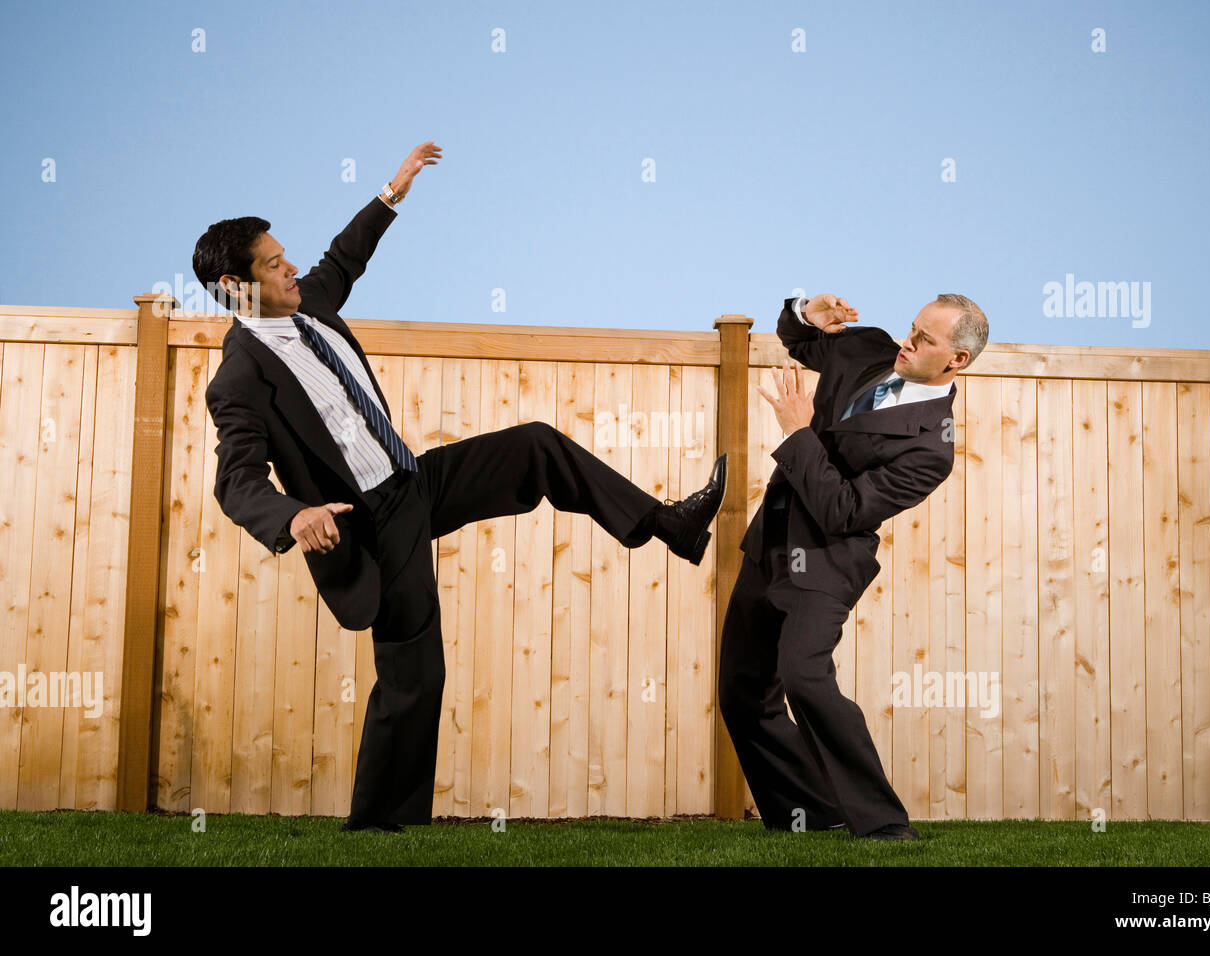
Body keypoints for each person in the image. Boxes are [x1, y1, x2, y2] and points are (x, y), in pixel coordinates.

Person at [194, 140, 726, 832]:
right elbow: (236, 480)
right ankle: (382, 823)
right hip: (372, 520)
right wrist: (293, 517)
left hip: (414, 479)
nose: (290, 266)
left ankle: (670, 524)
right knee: (415, 671)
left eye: (283, 253)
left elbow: (344, 255)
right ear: (238, 287)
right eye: (272, 263)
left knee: (535, 445)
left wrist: (394, 190)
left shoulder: (311, 302)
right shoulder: (239, 377)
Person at [719, 291, 988, 840]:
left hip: (826, 561)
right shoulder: (867, 347)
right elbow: (800, 339)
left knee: (804, 675)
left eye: (925, 339)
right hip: (769, 541)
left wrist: (797, 432)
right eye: (913, 327)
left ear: (956, 361)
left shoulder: (931, 449)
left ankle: (885, 824)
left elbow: (843, 510)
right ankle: (811, 814)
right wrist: (806, 314)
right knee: (741, 692)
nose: (907, 341)